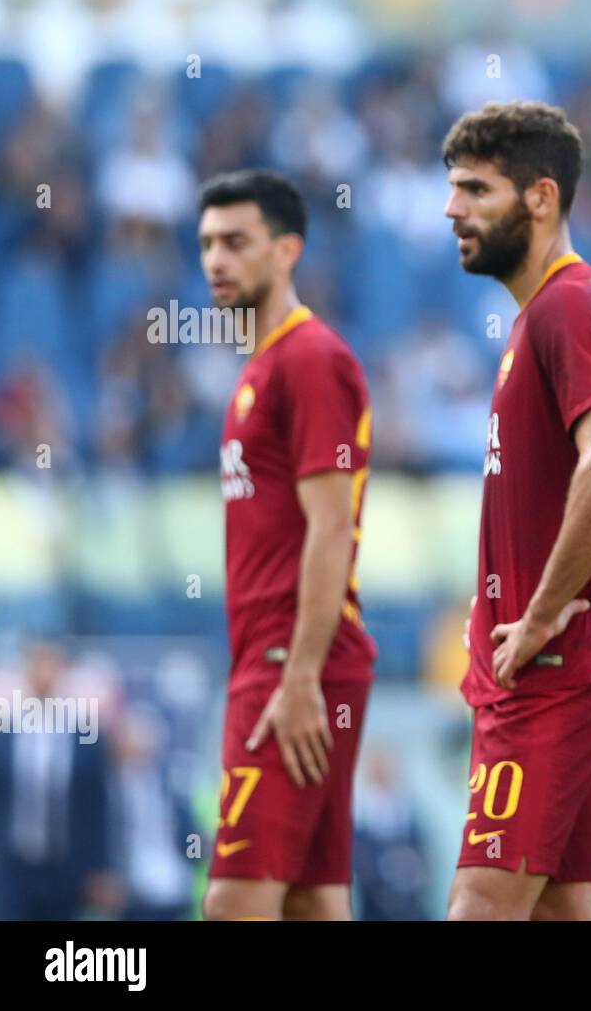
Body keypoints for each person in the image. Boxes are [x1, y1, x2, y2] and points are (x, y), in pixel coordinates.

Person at [442, 101, 591, 920]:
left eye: (473, 189)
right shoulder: (538, 319)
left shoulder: (570, 305)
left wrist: (537, 613)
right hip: (558, 662)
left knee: (480, 907)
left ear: (539, 197)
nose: (452, 209)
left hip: (554, 665)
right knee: (563, 906)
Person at [198, 169, 376, 921]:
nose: (215, 260)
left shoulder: (307, 358)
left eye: (236, 242)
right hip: (287, 661)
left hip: (293, 665)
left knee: (233, 904)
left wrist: (297, 673)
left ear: (286, 250)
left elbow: (332, 524)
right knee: (309, 901)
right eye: (206, 243)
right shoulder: (261, 367)